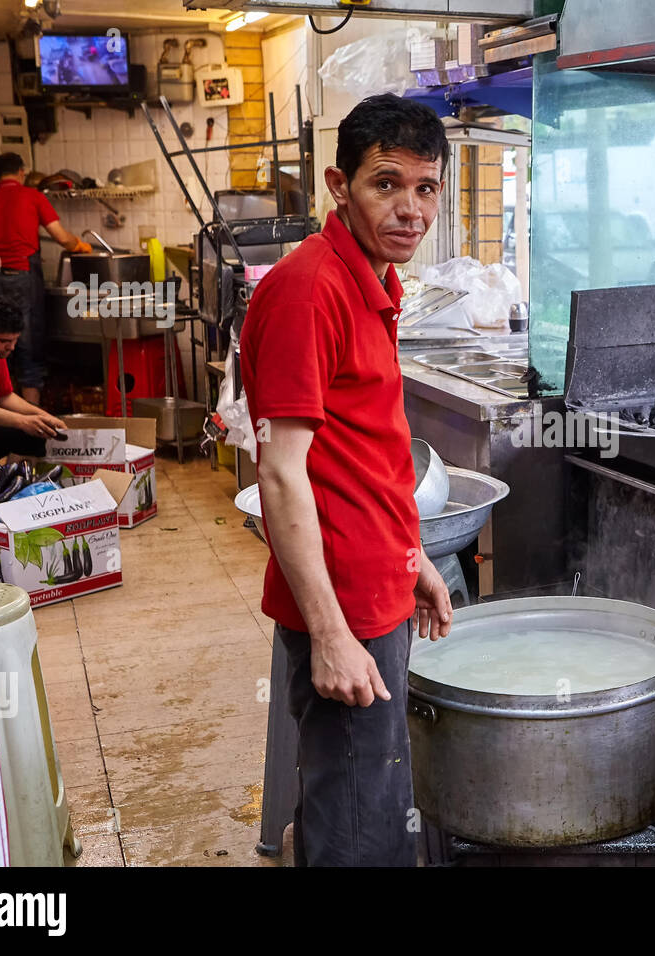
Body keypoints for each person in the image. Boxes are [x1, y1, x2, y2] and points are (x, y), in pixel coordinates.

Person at [239, 94, 454, 867]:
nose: (410, 209)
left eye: (426, 189)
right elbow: (282, 474)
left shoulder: (375, 282)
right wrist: (330, 634)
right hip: (344, 604)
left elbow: (363, 457)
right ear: (339, 184)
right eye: (386, 184)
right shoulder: (310, 290)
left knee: (362, 794)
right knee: (362, 821)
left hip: (376, 580)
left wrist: (414, 560)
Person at [0, 151, 91, 406]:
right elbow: (61, 237)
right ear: (21, 172)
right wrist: (80, 245)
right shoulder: (33, 196)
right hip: (21, 277)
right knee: (28, 344)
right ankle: (30, 422)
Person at [0, 296, 67, 462]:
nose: (11, 347)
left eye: (15, 340)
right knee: (29, 435)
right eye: (5, 341)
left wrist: (45, 416)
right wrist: (22, 422)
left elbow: (5, 396)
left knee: (40, 423)